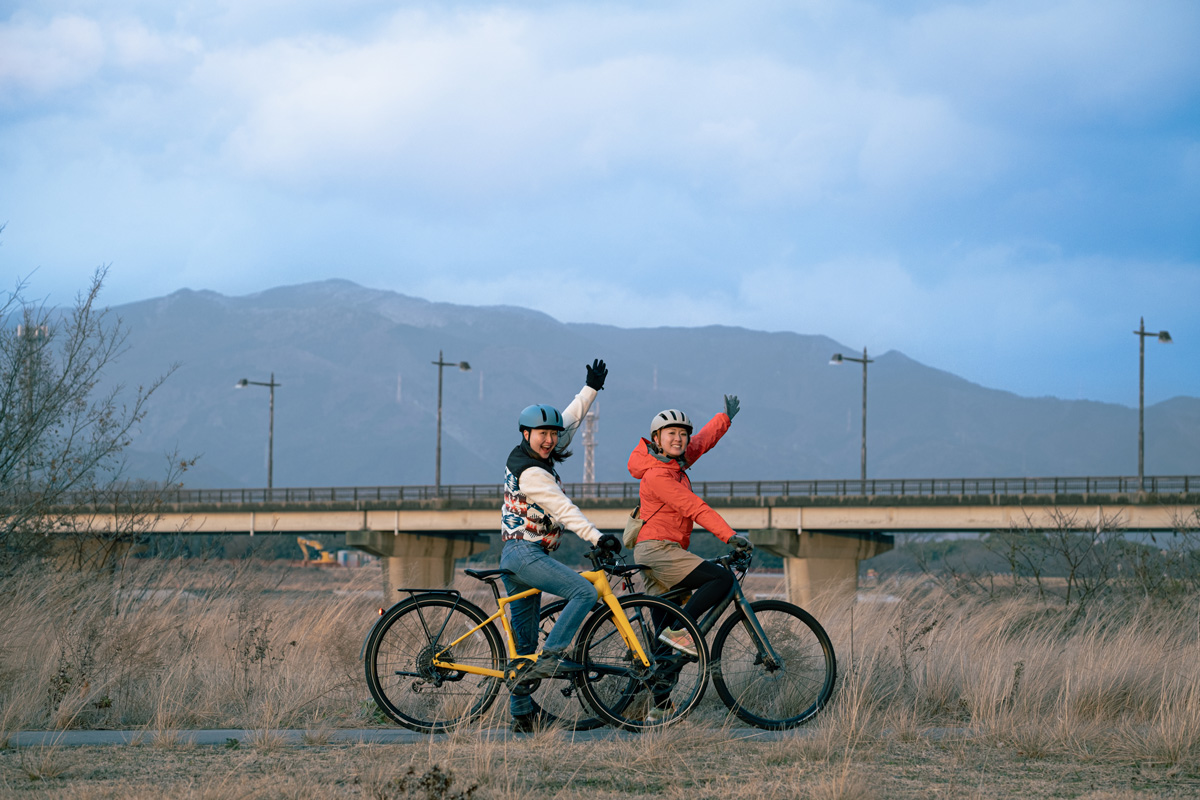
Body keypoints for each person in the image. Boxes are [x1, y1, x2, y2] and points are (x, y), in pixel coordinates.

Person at [500, 358, 622, 731]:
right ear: (525, 434)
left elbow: (568, 420)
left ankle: (522, 715)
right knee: (584, 593)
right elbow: (565, 510)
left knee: (523, 649)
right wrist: (598, 536)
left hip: (520, 555)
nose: (550, 439)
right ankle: (553, 655)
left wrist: (591, 388)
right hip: (524, 554)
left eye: (552, 434)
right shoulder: (534, 473)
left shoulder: (540, 451)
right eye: (542, 434)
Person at [626, 396, 752, 662]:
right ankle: (682, 631)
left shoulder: (674, 463)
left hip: (656, 551)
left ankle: (660, 702)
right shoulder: (658, 475)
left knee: (663, 641)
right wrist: (729, 536)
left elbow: (702, 442)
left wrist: (724, 419)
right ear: (656, 439)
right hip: (659, 550)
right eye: (671, 433)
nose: (678, 439)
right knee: (721, 579)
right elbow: (695, 507)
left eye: (683, 434)